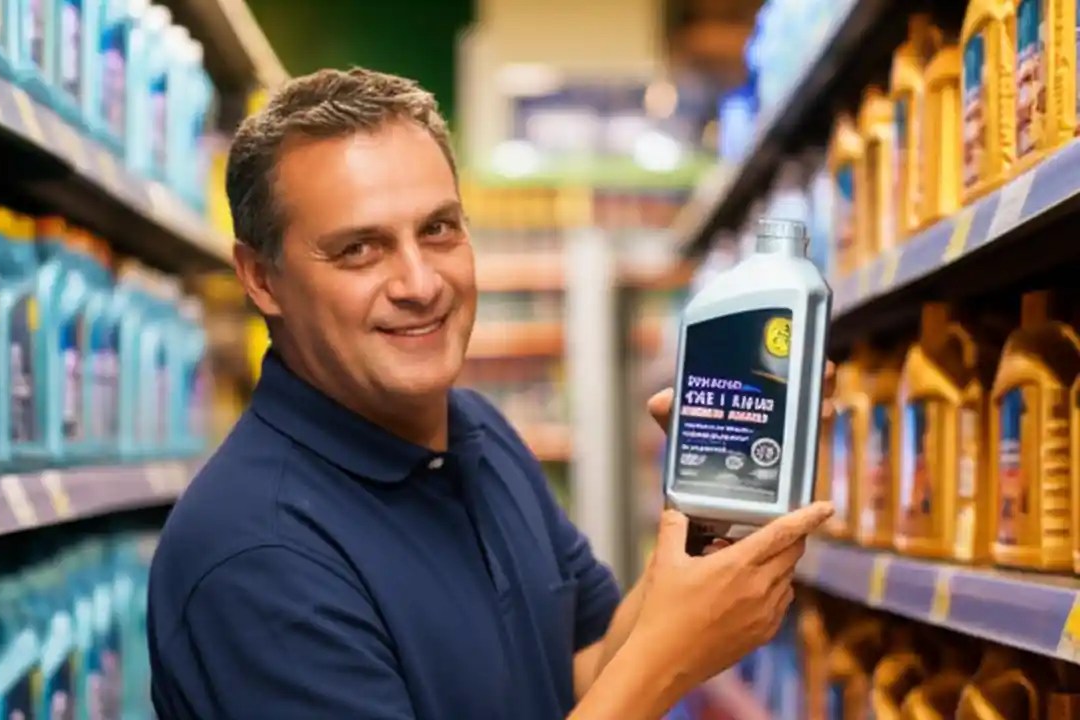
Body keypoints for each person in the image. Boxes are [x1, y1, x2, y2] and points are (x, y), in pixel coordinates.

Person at [146, 67, 834, 720]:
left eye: (438, 229)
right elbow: (636, 677)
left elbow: (583, 673)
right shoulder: (254, 558)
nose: (420, 283)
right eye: (360, 248)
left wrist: (712, 518)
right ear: (261, 279)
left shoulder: (478, 434)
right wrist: (669, 663)